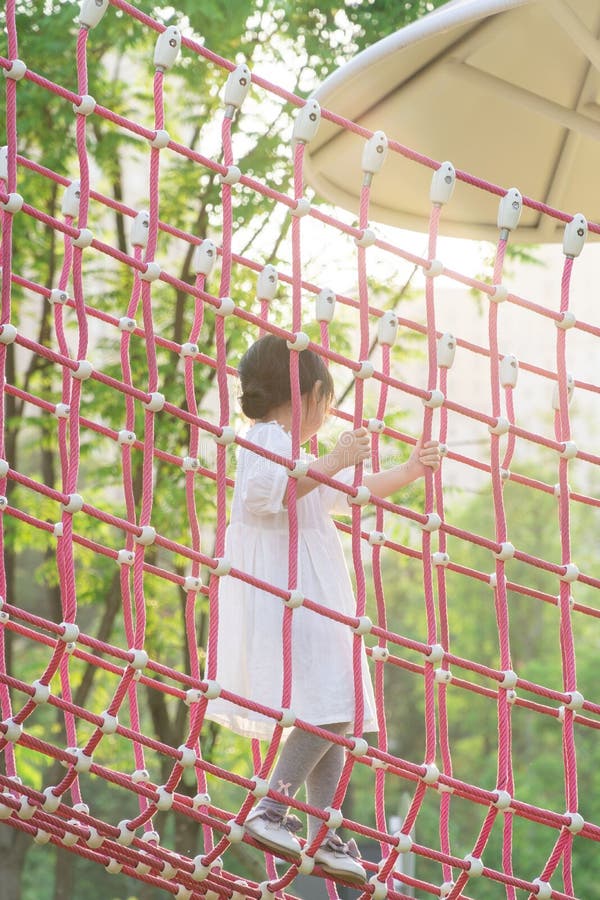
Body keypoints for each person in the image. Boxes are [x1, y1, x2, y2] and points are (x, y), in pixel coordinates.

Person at [205, 334, 440, 883]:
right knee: (331, 706)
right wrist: (335, 457)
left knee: (342, 706)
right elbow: (267, 494)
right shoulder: (262, 439)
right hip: (288, 599)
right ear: (305, 395)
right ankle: (272, 809)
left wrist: (409, 470)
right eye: (326, 400)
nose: (328, 412)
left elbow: (352, 493)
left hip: (316, 600)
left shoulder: (297, 451)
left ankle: (323, 828)